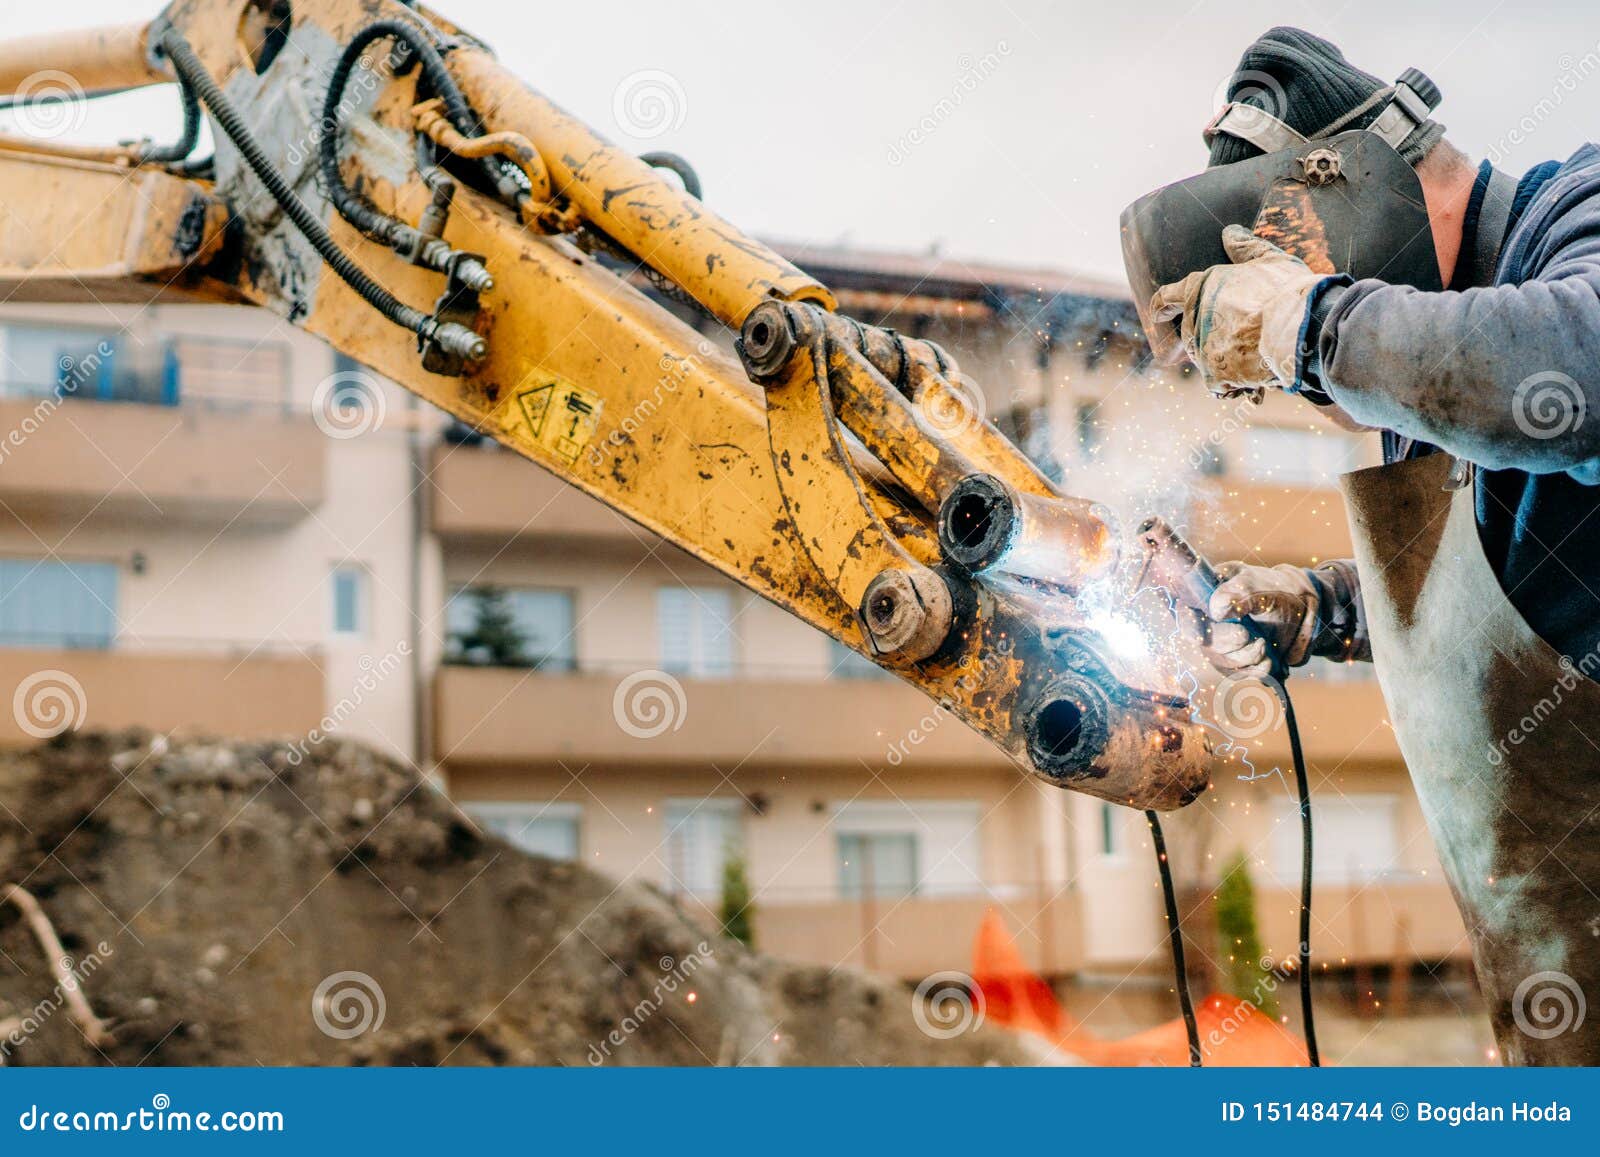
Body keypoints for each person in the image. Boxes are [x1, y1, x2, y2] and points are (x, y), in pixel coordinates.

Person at [1150, 27, 1600, 1064]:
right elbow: (1512, 589)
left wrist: (1308, 329)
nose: (1313, 401)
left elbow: (1577, 380)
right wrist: (1326, 606)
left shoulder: (1576, 217)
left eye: (1301, 277)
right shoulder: (1433, 407)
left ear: (1364, 189)